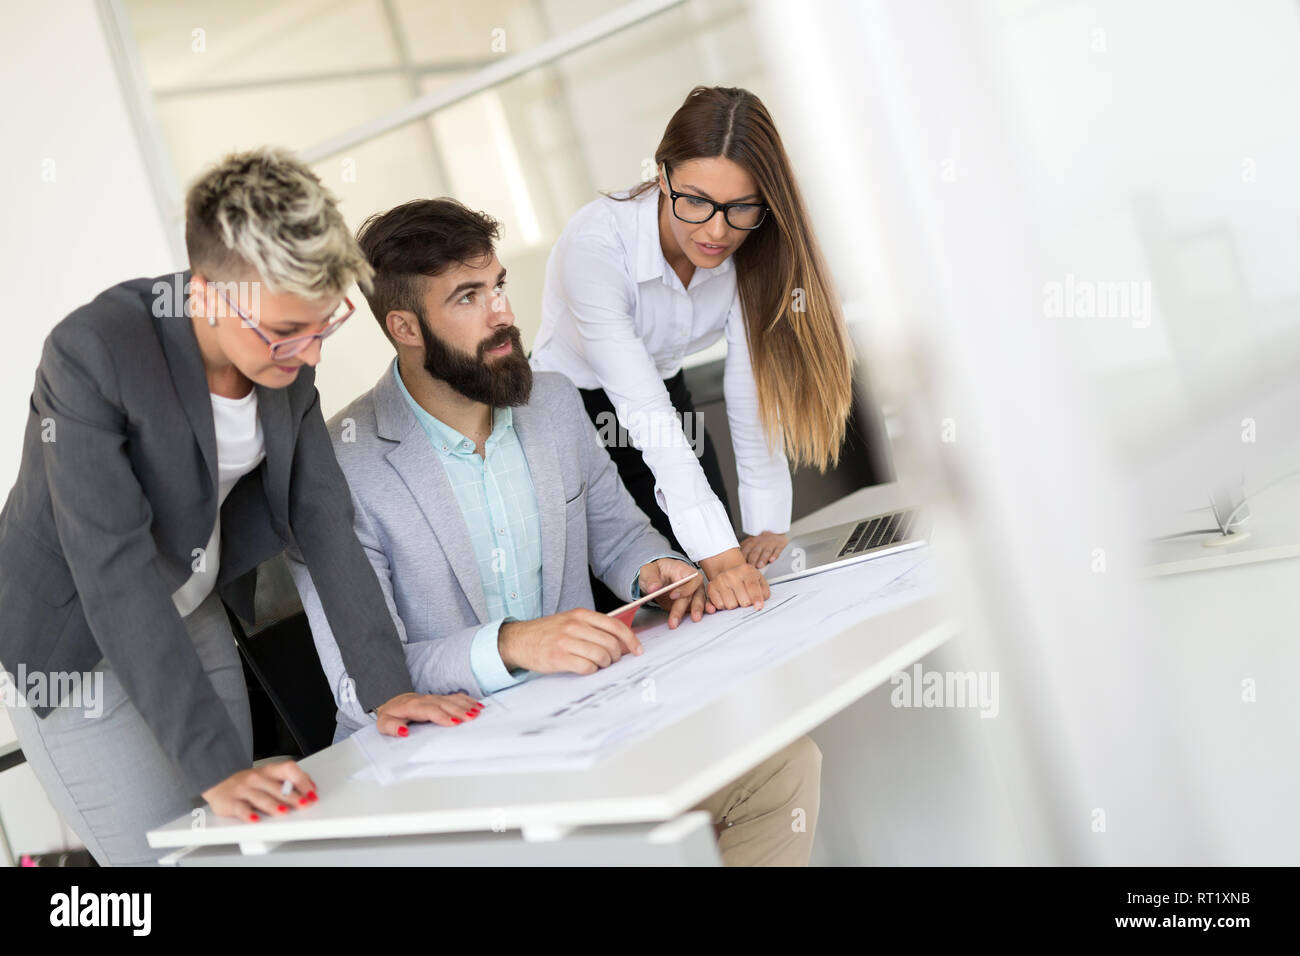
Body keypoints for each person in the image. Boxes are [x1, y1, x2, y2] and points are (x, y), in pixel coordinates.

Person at [289, 197, 822, 865]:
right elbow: (360, 683)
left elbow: (619, 534)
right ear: (405, 327)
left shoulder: (553, 402)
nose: (501, 313)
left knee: (780, 769)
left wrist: (652, 570)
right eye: (468, 297)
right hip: (441, 771)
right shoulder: (336, 468)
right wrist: (515, 644)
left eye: (499, 285)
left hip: (576, 725)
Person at [0, 148, 477, 866]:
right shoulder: (93, 354)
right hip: (76, 641)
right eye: (286, 332)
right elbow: (113, 570)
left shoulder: (286, 354)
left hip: (191, 611)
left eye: (323, 325)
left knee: (234, 848)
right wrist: (217, 768)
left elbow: (322, 519)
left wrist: (387, 689)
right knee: (158, 861)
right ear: (206, 296)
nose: (310, 356)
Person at [531, 85, 855, 615]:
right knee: (639, 598)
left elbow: (750, 387)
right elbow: (644, 415)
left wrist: (765, 525)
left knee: (720, 581)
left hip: (664, 394)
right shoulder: (595, 247)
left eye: (740, 207)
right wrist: (722, 561)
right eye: (697, 201)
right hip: (573, 417)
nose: (717, 231)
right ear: (662, 177)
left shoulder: (753, 243)